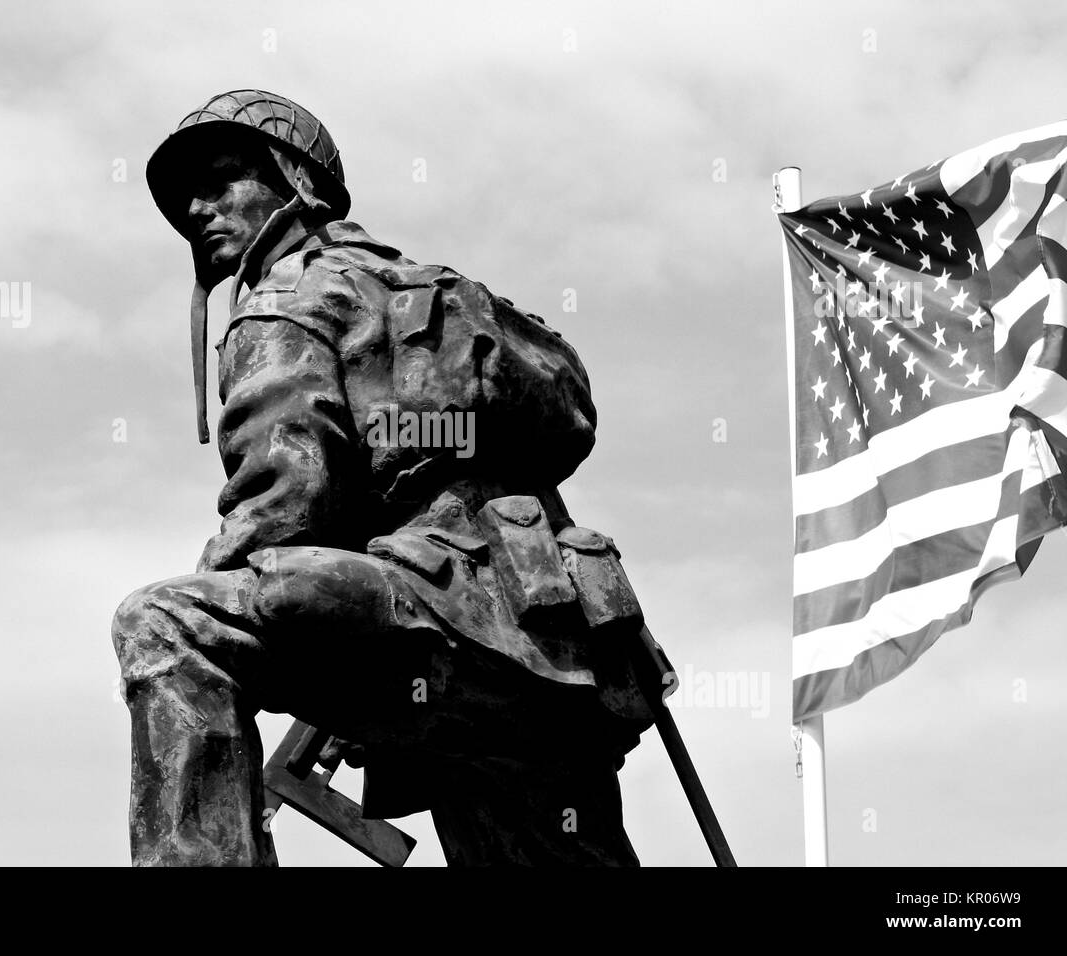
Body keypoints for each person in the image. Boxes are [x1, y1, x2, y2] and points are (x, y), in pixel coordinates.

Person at [113, 89, 662, 866]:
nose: (199, 209)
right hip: (558, 648)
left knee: (170, 623)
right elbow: (570, 426)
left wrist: (244, 585)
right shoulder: (447, 292)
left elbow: (284, 504)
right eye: (187, 199)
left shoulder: (285, 302)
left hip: (437, 625)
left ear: (295, 180)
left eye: (222, 180)